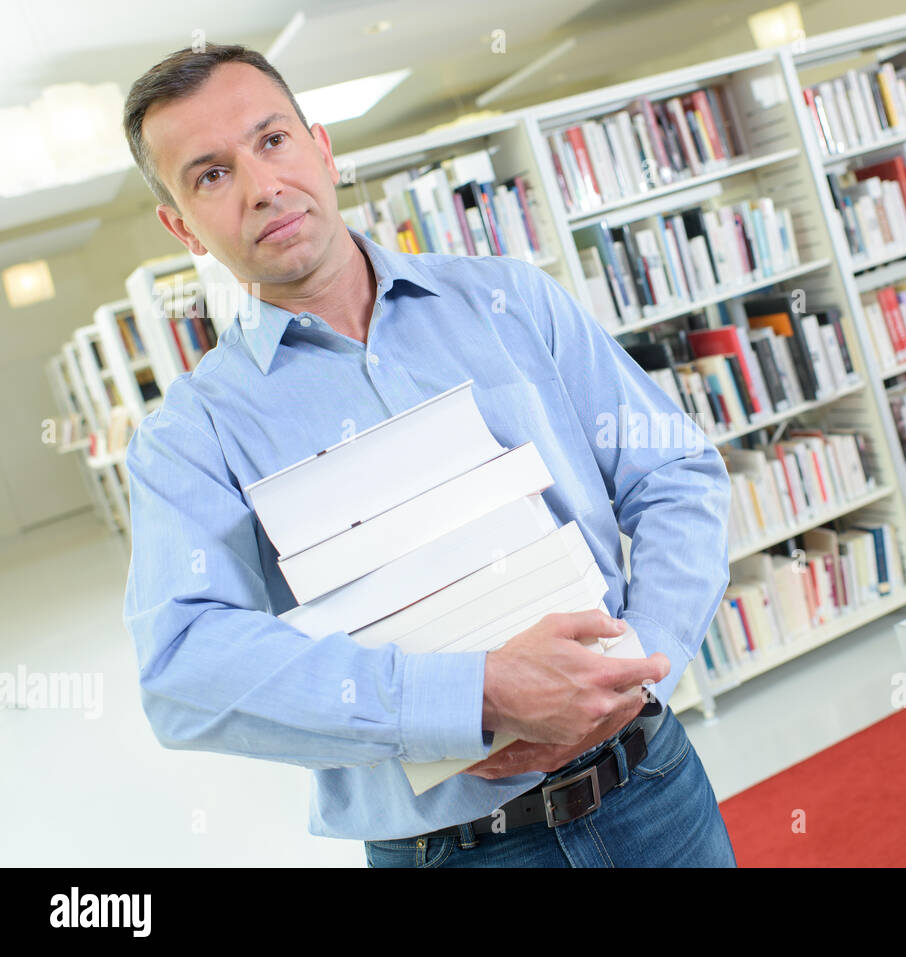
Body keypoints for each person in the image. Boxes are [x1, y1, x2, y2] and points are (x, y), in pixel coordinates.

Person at [119, 42, 736, 867]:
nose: (263, 187)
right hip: (456, 851)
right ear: (181, 227)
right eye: (210, 175)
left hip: (650, 786)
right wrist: (471, 695)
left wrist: (638, 666)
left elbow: (675, 475)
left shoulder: (513, 300)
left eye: (272, 141)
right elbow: (183, 668)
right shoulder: (189, 436)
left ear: (323, 148)